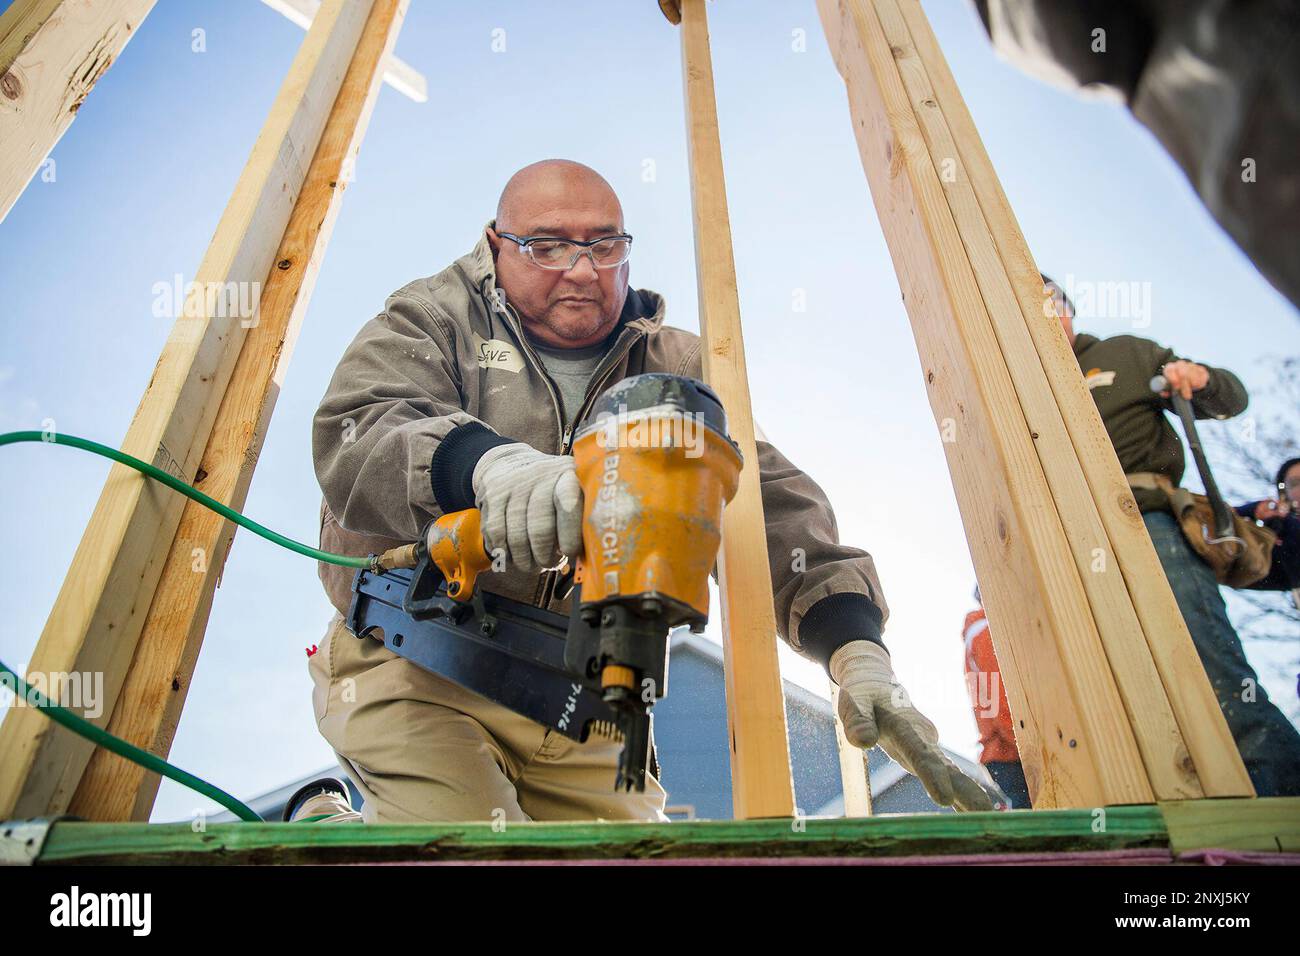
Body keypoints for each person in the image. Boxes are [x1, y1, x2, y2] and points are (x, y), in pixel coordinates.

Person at [299, 159, 991, 823]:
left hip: (582, 696)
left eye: (604, 245)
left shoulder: (679, 366)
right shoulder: (433, 318)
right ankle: (324, 829)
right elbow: (361, 427)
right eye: (546, 246)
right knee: (469, 847)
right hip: (419, 658)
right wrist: (489, 468)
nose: (580, 269)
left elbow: (766, 505)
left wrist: (855, 650)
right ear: (493, 244)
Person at [1043, 274, 1300, 796]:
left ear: (1067, 311)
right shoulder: (1018, 384)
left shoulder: (1125, 354)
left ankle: (1282, 795)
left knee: (1207, 666)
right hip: (1067, 546)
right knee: (1104, 687)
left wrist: (1199, 378)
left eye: (1047, 304)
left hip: (1149, 523)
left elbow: (1230, 398)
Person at [962, 588, 1027, 809]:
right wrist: (1028, 746)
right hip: (1010, 752)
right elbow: (999, 701)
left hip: (1003, 751)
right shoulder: (987, 634)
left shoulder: (978, 635)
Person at [1235, 457, 1300, 595]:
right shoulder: (1285, 543)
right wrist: (1253, 511)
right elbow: (1244, 569)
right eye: (1295, 483)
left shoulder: (1290, 529)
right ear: (1285, 496)